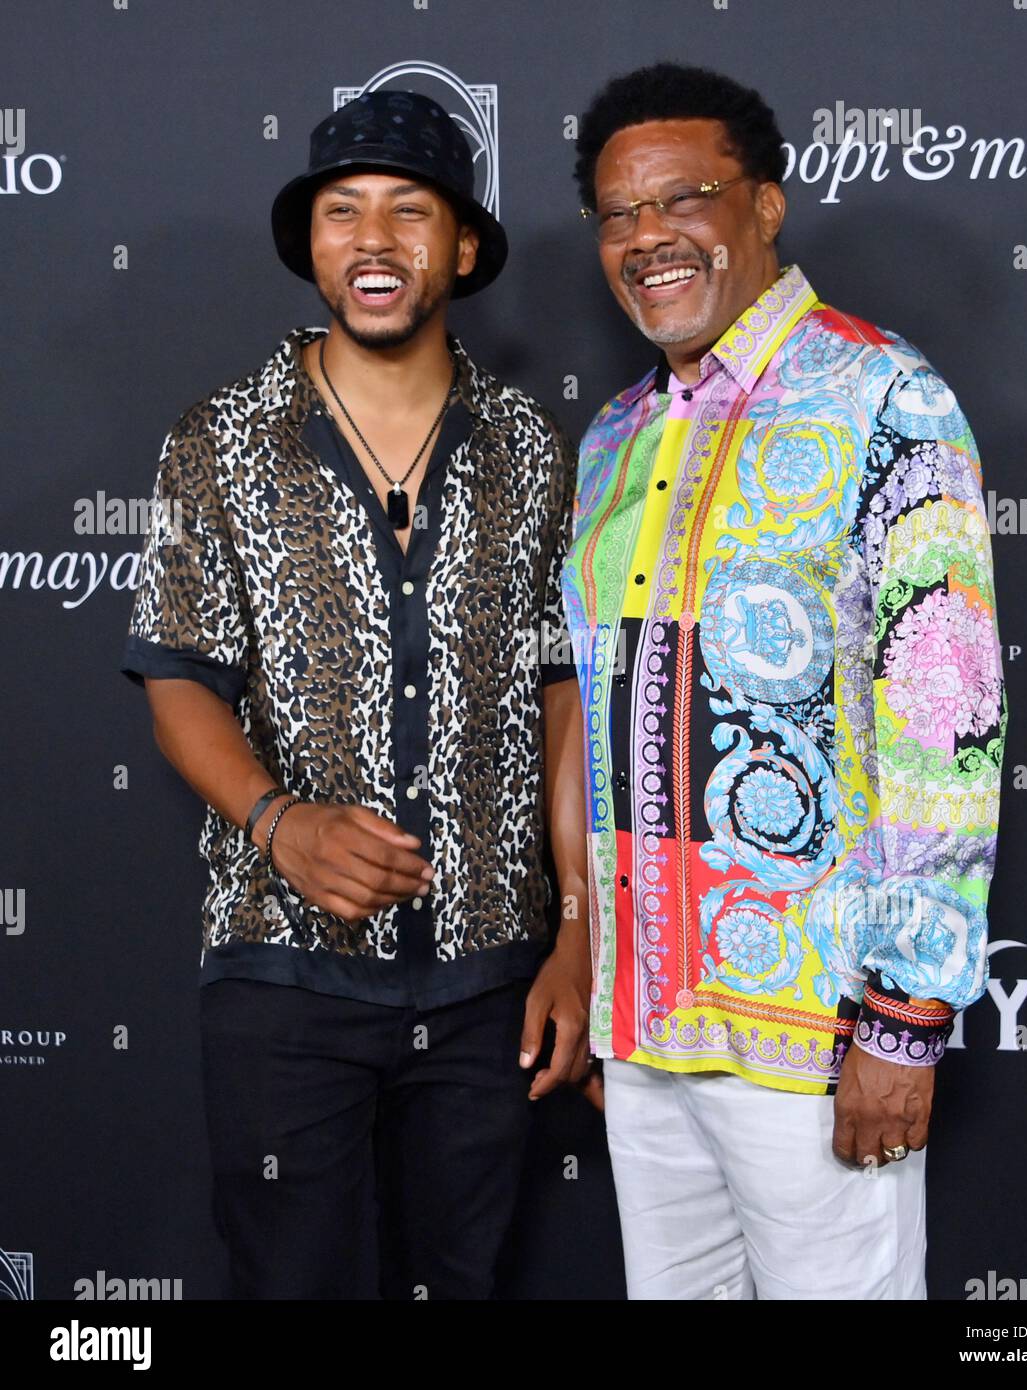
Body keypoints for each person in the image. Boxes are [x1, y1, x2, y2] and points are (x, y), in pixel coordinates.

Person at [121, 89, 591, 1300]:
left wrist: (581, 930)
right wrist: (285, 825)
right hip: (285, 970)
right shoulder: (217, 438)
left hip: (492, 977)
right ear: (312, 248)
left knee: (464, 1279)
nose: (373, 239)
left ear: (465, 246)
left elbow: (562, 700)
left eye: (408, 210)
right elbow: (178, 678)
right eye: (343, 211)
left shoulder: (536, 448)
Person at [562, 63, 1006, 1299]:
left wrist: (903, 1020)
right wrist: (608, 983)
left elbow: (946, 715)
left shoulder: (881, 397)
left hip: (810, 1034)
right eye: (616, 213)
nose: (647, 236)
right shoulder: (612, 438)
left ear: (764, 204)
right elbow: (602, 722)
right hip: (645, 1033)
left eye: (682, 199)